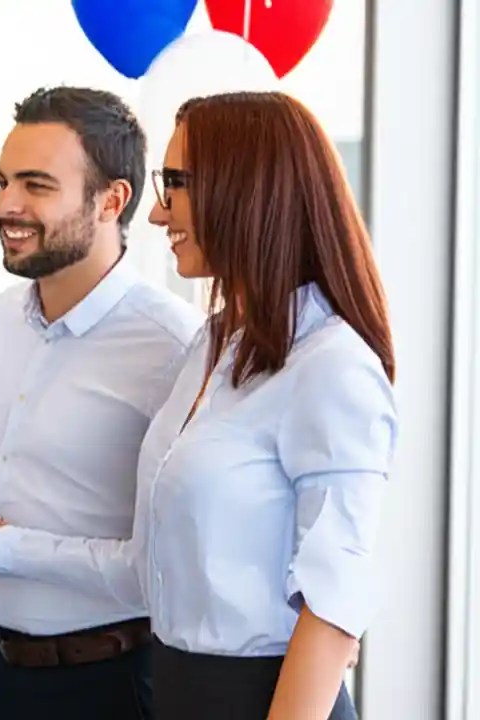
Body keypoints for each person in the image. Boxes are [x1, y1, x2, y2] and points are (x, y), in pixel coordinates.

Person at [0, 87, 203, 719]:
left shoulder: (172, 346)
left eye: (36, 185)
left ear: (111, 200)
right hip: (3, 671)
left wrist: (6, 548)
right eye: (4, 181)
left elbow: (169, 566)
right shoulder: (1, 318)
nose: (6, 204)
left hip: (116, 684)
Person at [140, 91, 396, 719]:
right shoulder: (213, 343)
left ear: (249, 190)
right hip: (174, 689)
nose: (156, 212)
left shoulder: (332, 366)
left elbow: (333, 609)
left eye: (176, 185)